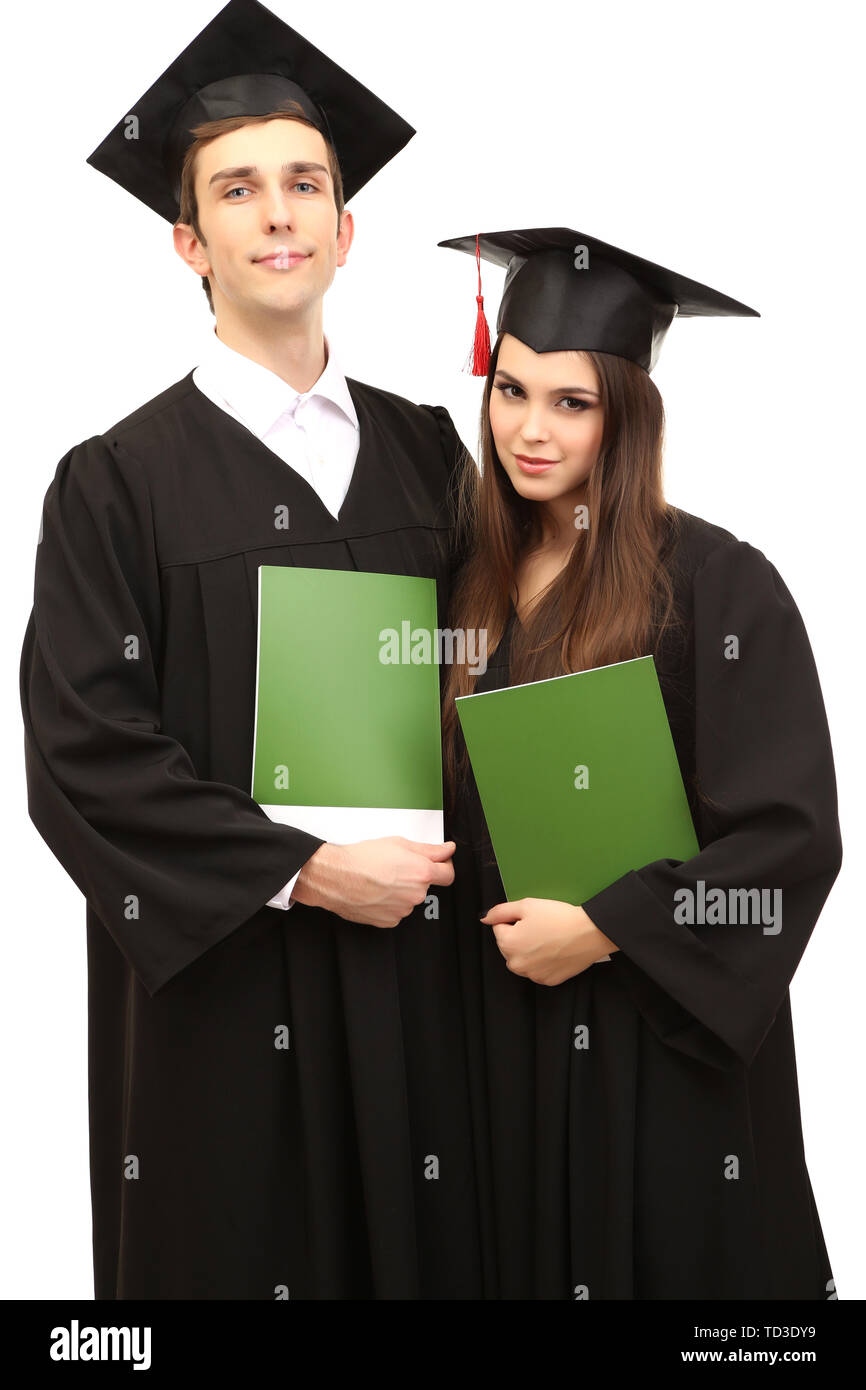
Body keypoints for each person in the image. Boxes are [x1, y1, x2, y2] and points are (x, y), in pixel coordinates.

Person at [19, 0, 483, 1300]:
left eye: (304, 183)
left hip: (420, 973)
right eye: (236, 189)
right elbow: (84, 757)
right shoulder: (117, 482)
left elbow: (495, 681)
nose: (277, 214)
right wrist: (304, 870)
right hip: (227, 997)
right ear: (189, 241)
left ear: (345, 226)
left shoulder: (428, 452)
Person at [439, 226, 843, 1299]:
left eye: (571, 402)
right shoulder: (464, 585)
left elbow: (789, 842)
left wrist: (605, 926)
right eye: (510, 390)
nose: (530, 430)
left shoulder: (718, 584)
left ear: (626, 415)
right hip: (502, 1044)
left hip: (657, 1053)